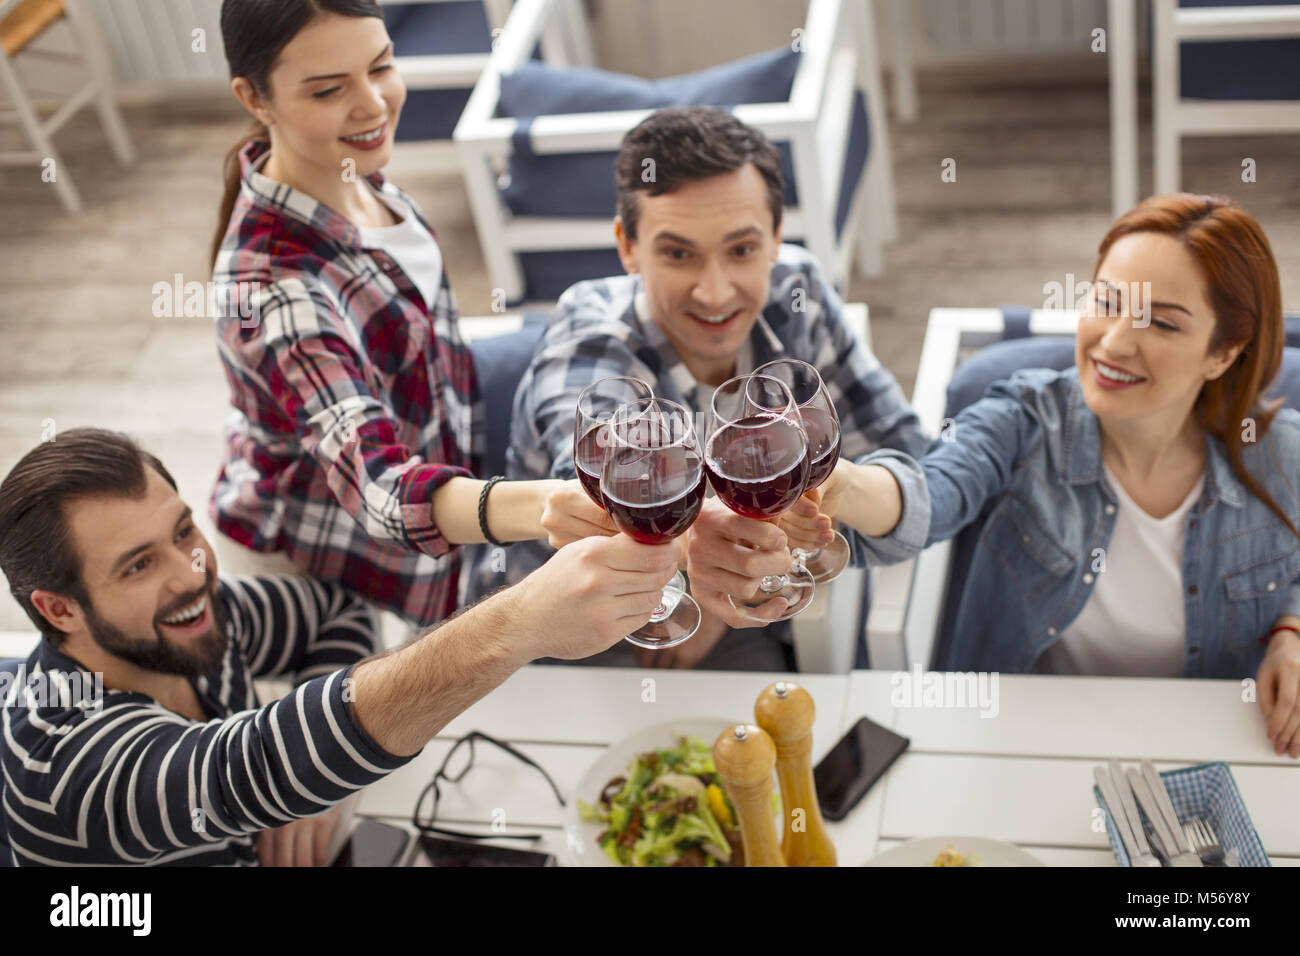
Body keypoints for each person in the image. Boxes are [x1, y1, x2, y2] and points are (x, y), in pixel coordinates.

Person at [738, 194, 1300, 756]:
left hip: (1218, 747)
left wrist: (1290, 634)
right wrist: (841, 485)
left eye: (1162, 323)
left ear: (1222, 355)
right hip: (1026, 741)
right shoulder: (1024, 417)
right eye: (1106, 302)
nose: (1115, 341)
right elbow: (931, 494)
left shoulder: (1282, 458)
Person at [0, 429, 679, 865]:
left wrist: (311, 789)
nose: (192, 573)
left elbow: (335, 610)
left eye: (183, 532)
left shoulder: (187, 619)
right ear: (58, 610)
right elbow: (252, 767)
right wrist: (519, 622)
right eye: (138, 565)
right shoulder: (66, 767)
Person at [465, 106, 930, 669]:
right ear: (628, 247)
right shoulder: (590, 341)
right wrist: (698, 573)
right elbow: (603, 507)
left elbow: (908, 452)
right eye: (679, 253)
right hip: (569, 650)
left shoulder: (798, 292)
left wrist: (730, 578)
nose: (714, 293)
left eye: (741, 250)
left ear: (777, 237)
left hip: (733, 608)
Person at [207, 0, 586, 627]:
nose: (373, 104)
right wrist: (546, 503)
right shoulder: (273, 288)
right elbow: (379, 487)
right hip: (322, 562)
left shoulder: (350, 171)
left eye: (381, 66)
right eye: (329, 90)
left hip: (427, 488)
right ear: (255, 98)